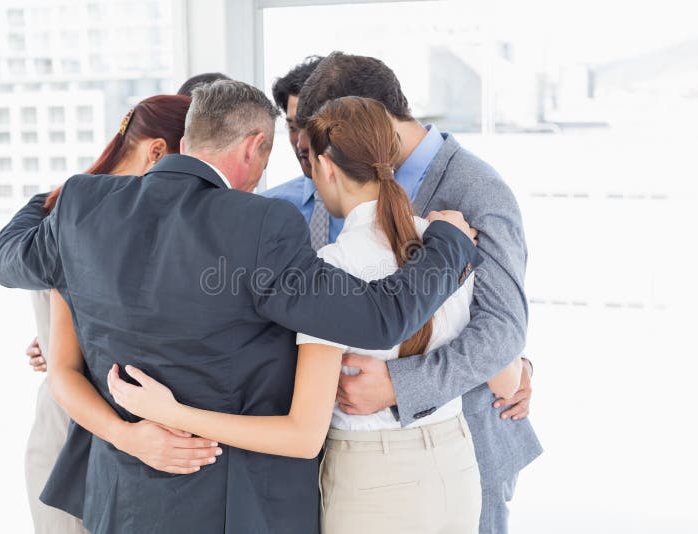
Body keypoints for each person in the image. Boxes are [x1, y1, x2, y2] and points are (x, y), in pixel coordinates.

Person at [0, 80, 481, 534]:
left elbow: (4, 261)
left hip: (121, 498)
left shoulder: (81, 207)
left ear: (186, 141)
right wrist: (449, 245)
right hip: (237, 505)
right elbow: (380, 317)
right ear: (253, 148)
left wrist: (53, 197)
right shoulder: (262, 224)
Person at [105, 95, 524, 534]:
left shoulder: (331, 266)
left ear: (324, 166)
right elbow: (506, 377)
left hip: (371, 481)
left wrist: (173, 413)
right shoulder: (451, 239)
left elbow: (303, 437)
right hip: (456, 467)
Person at [294, 52, 543, 534]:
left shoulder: (476, 189)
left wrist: (397, 384)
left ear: (370, 117)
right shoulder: (338, 192)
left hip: (464, 446)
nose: (312, 168)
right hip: (357, 458)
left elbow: (502, 329)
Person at [21, 94, 223, 534]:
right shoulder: (69, 214)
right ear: (156, 152)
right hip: (71, 430)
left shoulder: (133, 222)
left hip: (129, 437)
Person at [264, 56, 345, 248]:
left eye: (311, 127)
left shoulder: (378, 212)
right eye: (293, 128)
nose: (301, 143)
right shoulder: (269, 209)